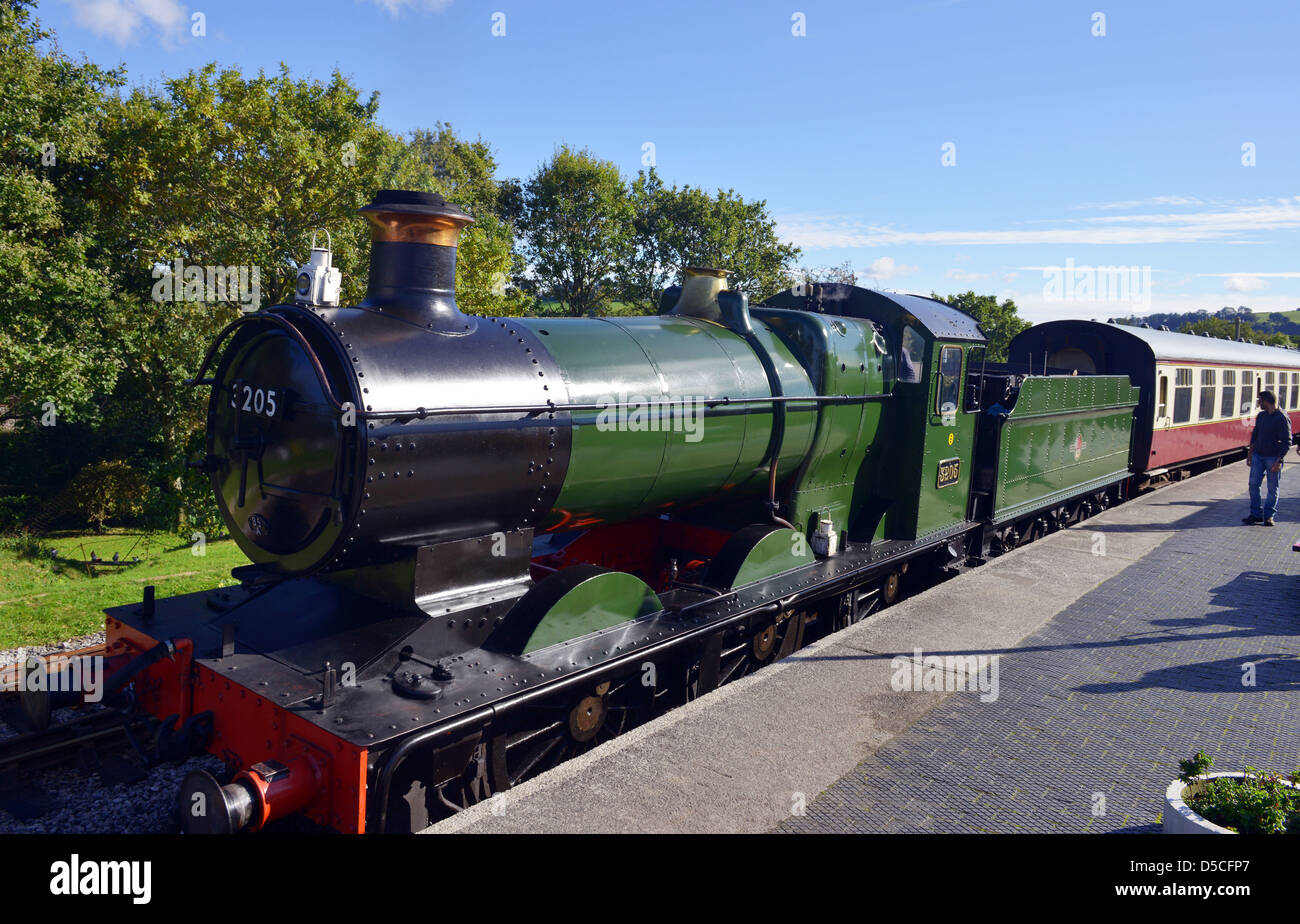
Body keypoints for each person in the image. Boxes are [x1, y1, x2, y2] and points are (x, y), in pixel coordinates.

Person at [1242, 390, 1292, 526]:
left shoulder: (1281, 418)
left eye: (1260, 401)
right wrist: (1250, 454)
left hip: (1273, 457)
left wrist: (1279, 460)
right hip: (1258, 455)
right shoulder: (1261, 416)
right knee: (1253, 485)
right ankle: (1255, 514)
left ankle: (1269, 516)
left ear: (1267, 401)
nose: (1258, 404)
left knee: (1272, 487)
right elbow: (1255, 435)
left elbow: (1287, 441)